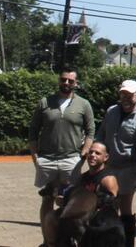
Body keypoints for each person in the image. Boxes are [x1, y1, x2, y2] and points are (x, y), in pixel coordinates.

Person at [30, 66, 96, 247]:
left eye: (70, 80)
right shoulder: (45, 102)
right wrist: (36, 157)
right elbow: (33, 131)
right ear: (59, 80)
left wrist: (84, 152)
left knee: (69, 201)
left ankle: (66, 240)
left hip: (71, 160)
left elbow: (91, 130)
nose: (66, 83)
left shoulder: (84, 104)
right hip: (47, 159)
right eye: (63, 79)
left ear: (76, 83)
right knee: (47, 200)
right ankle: (48, 240)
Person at [95, 79, 136, 245]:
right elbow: (101, 135)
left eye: (129, 95)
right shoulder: (112, 111)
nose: (125, 98)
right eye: (122, 94)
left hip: (128, 169)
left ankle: (127, 243)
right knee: (106, 206)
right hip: (109, 166)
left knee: (125, 208)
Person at [43, 141, 121, 247]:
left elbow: (113, 207)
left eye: (97, 153)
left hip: (97, 221)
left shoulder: (108, 179)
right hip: (78, 218)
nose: (92, 155)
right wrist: (64, 201)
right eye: (91, 152)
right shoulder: (83, 177)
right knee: (51, 217)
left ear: (105, 157)